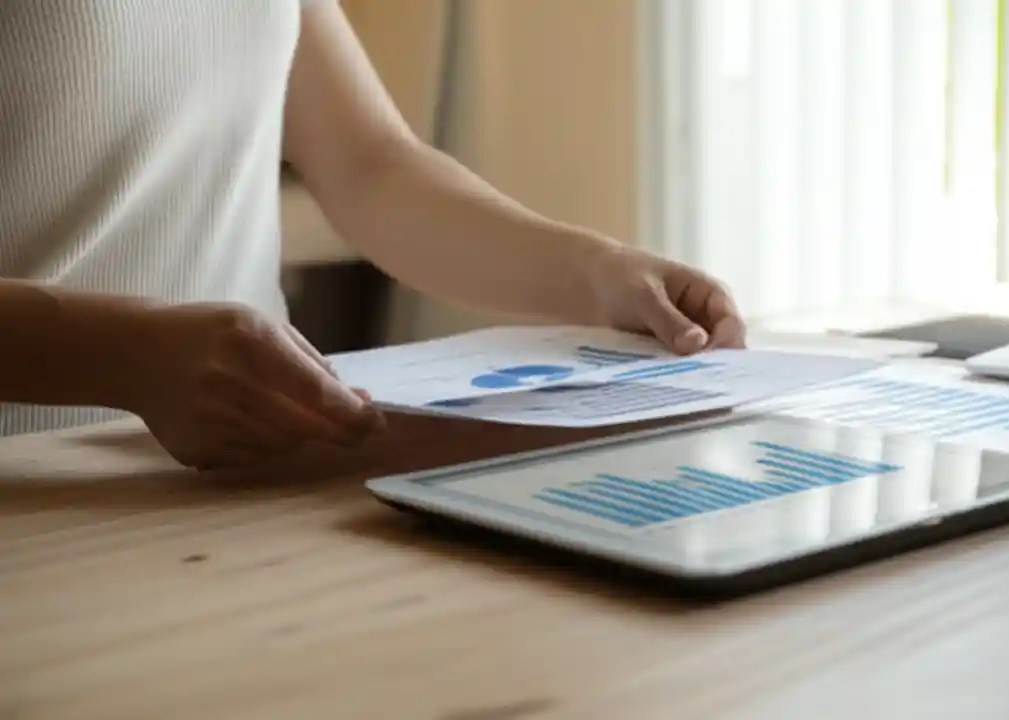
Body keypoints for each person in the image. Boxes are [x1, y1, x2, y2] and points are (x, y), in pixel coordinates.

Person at [0, 1, 746, 468]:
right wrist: (123, 355)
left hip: (250, 484)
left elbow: (370, 165)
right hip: (34, 500)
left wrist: (598, 272)